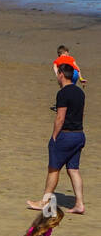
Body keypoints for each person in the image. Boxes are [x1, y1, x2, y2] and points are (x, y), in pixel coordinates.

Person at [28, 63, 86, 215]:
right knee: (73, 169)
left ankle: (44, 201)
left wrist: (54, 137)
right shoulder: (80, 92)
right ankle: (79, 204)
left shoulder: (63, 93)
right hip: (79, 134)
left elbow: (60, 118)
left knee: (53, 168)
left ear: (61, 74)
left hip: (66, 135)